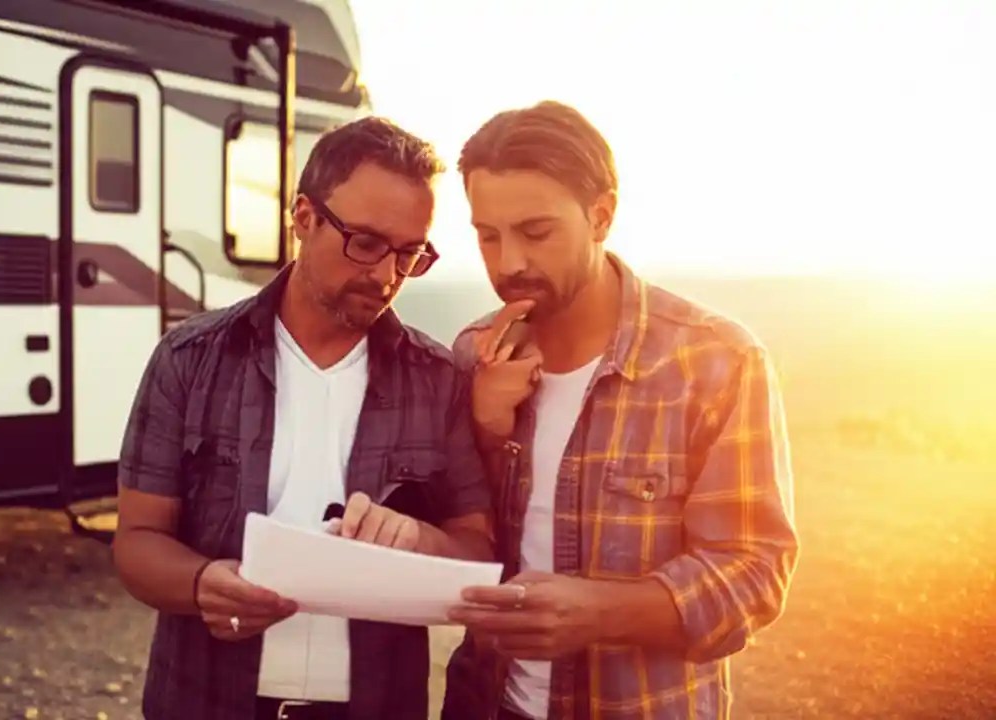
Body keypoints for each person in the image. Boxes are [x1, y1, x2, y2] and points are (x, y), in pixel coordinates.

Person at [112, 116, 495, 720]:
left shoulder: (437, 379)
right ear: (303, 217)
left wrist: (417, 540)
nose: (386, 276)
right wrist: (202, 583)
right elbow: (136, 541)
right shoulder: (189, 359)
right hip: (206, 701)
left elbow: (478, 552)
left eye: (409, 254)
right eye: (365, 243)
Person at [440, 100, 800, 720]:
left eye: (536, 232)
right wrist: (487, 430)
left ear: (601, 215)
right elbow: (462, 540)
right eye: (487, 235)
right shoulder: (475, 354)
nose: (508, 262)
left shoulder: (715, 361)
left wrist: (599, 613)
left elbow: (753, 574)